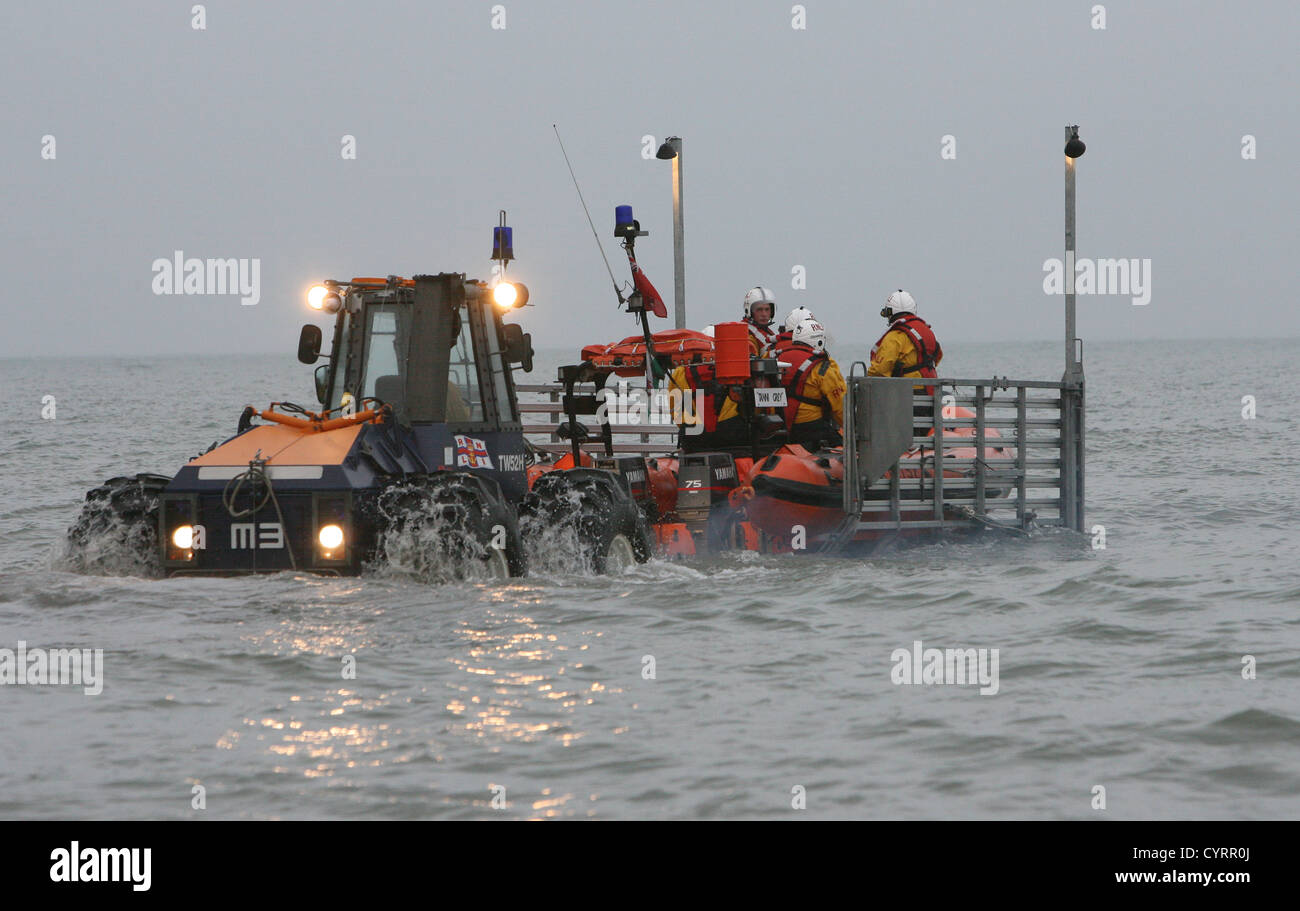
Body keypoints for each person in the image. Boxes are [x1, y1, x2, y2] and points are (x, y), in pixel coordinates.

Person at [868, 289, 944, 437]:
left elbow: (880, 371)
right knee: (922, 432)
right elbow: (937, 356)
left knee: (904, 436)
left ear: (890, 313)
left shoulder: (895, 336)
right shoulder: (926, 331)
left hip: (906, 396)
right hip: (930, 392)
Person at [779, 318, 846, 447]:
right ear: (818, 340)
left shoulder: (776, 357)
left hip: (779, 426)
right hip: (810, 428)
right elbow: (840, 407)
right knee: (841, 444)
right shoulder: (822, 367)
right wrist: (852, 430)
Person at [667, 359, 749, 453]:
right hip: (733, 434)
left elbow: (676, 411)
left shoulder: (681, 372)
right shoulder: (737, 367)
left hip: (694, 436)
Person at [742, 286, 779, 356]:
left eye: (767, 309)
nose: (764, 314)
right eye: (759, 310)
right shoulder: (745, 332)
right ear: (749, 311)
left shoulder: (766, 331)